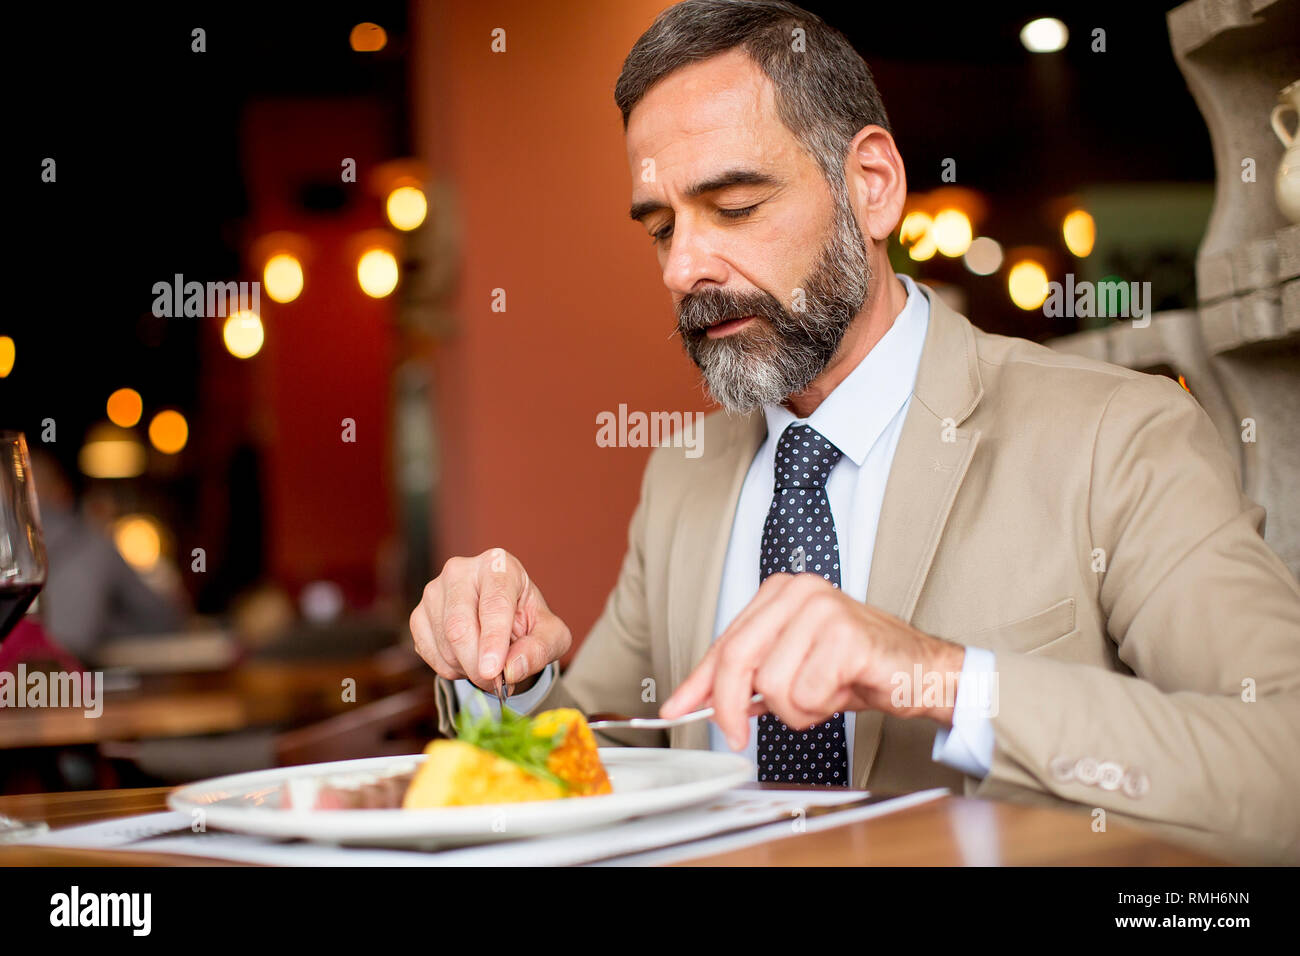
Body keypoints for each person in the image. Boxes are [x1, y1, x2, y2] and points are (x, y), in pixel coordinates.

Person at [409, 0, 1300, 863]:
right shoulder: (684, 475)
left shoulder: (1117, 433)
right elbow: (599, 761)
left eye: (735, 206)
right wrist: (508, 680)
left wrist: (943, 677)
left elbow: (1282, 771)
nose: (684, 267)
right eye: (661, 227)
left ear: (871, 187)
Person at [27, 449, 185, 663]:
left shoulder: (89, 542)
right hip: (72, 678)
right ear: (63, 493)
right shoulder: (93, 541)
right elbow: (163, 617)